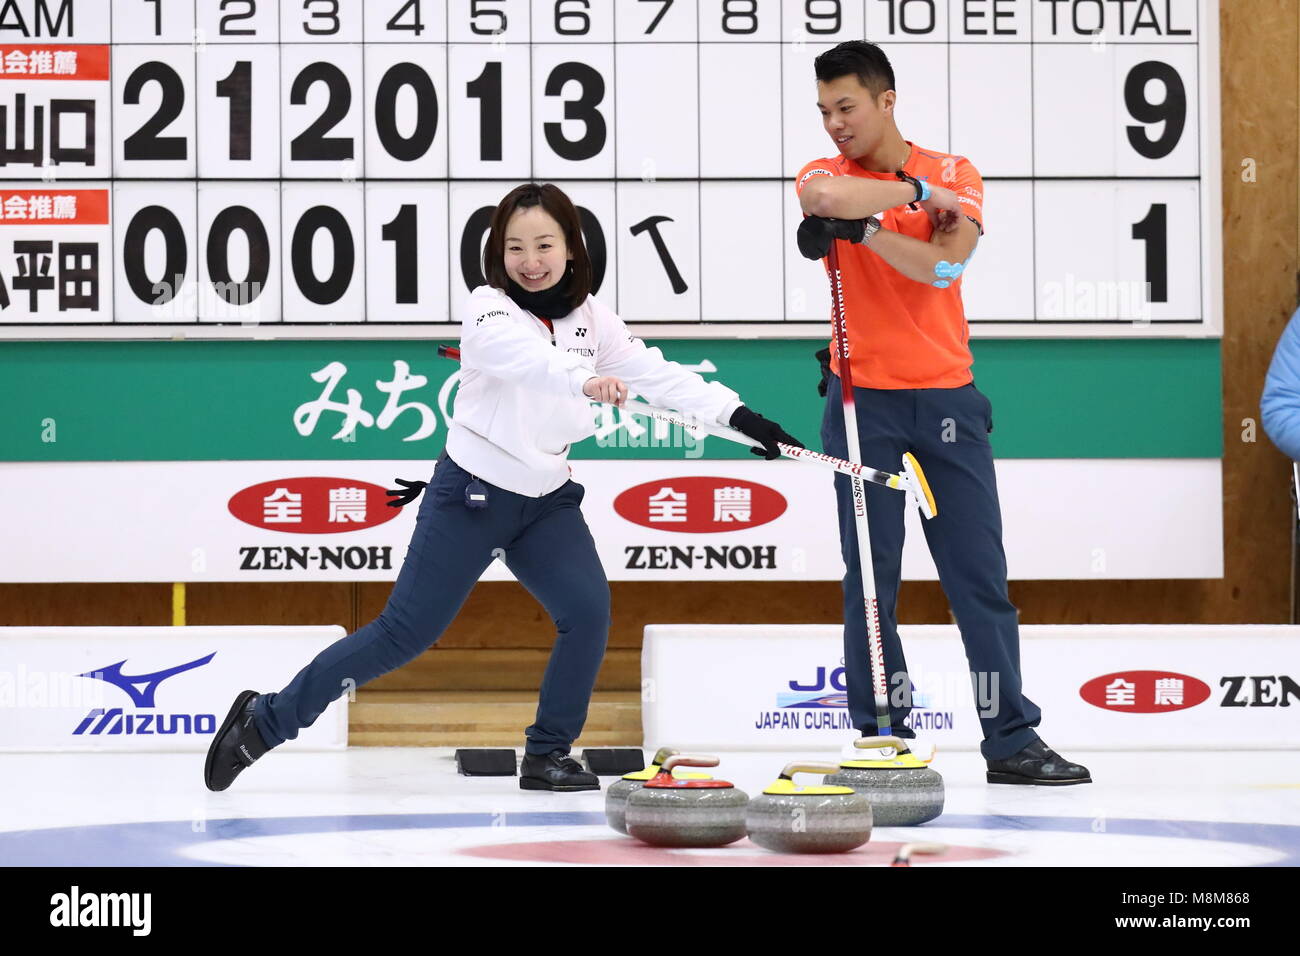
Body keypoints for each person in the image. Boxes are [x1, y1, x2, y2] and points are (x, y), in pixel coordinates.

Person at [204, 182, 801, 793]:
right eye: (516, 246)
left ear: (571, 248)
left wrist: (744, 420)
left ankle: (547, 755)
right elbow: (523, 357)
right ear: (498, 253)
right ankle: (264, 721)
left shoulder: (594, 319)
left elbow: (660, 376)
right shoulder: (488, 309)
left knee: (588, 612)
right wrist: (583, 380)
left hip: (547, 501)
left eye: (545, 244)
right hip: (472, 493)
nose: (531, 261)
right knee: (403, 634)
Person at [794, 40, 1089, 785]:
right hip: (861, 403)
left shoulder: (956, 169)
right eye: (825, 110)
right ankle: (886, 736)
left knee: (977, 577)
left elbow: (946, 267)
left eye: (848, 107)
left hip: (950, 398)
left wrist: (872, 228)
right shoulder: (830, 175)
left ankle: (1011, 740)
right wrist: (917, 201)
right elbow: (826, 201)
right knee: (871, 580)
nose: (835, 122)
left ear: (886, 101)